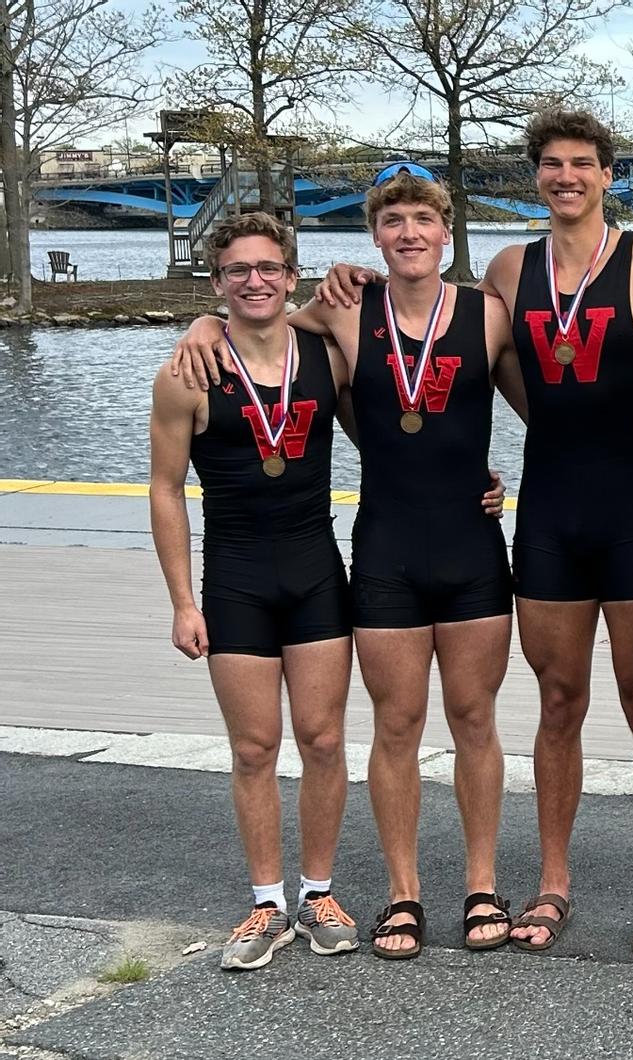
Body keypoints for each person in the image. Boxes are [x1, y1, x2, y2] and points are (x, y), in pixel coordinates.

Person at [314, 110, 633, 953]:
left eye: (582, 163)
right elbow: (446, 346)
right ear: (537, 176)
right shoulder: (511, 269)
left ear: (608, 175)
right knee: (558, 701)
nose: (566, 177)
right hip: (548, 509)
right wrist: (330, 282)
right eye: (550, 164)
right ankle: (553, 884)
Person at [166, 168, 546, 958]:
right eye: (394, 221)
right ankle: (403, 894)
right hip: (384, 556)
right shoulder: (342, 314)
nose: (409, 233)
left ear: (447, 232)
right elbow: (252, 318)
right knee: (397, 726)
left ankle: (481, 884)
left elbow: (555, 412)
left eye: (424, 220)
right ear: (374, 235)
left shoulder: (489, 315)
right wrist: (203, 322)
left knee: (475, 720)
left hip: (472, 549)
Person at [149, 212, 358, 970]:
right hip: (235, 579)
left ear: (290, 275)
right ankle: (267, 901)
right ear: (218, 284)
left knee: (325, 738)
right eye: (238, 271)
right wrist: (181, 601)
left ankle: (320, 891)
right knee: (253, 747)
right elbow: (166, 489)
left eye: (268, 267)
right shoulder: (187, 374)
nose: (255, 281)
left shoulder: (326, 357)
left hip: (315, 572)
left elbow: (398, 438)